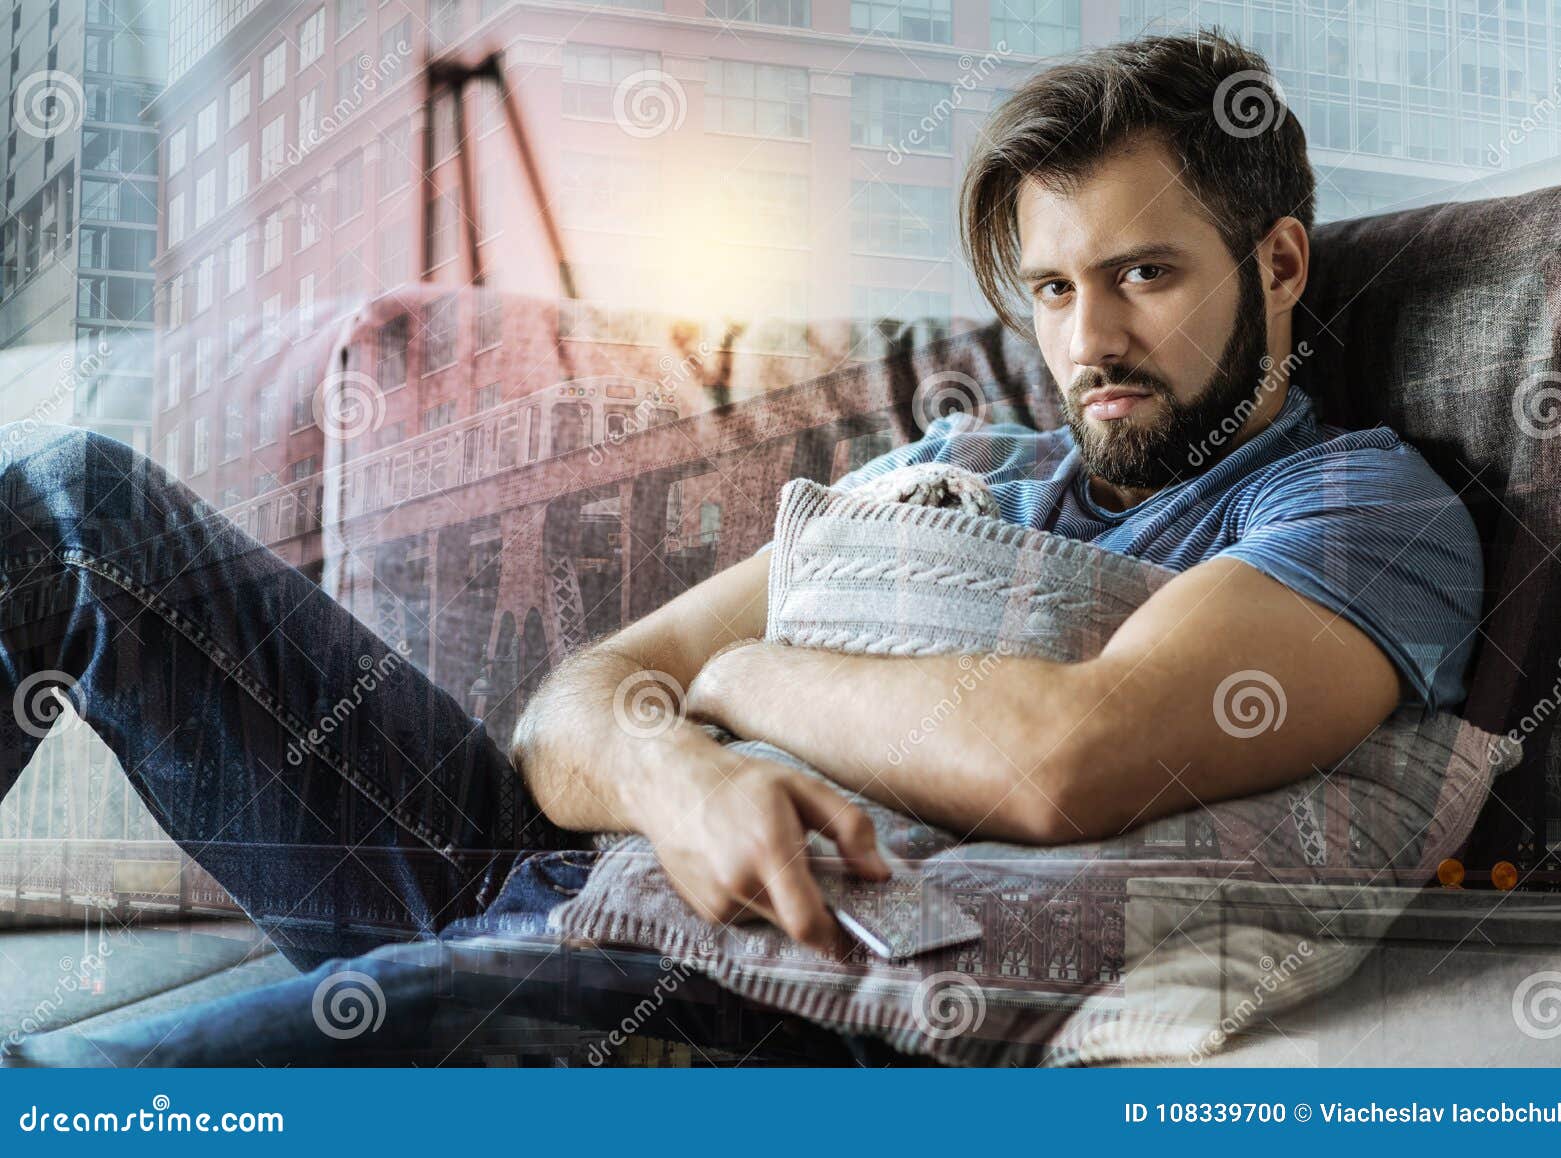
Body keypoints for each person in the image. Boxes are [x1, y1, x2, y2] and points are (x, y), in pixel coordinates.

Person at [0, 31, 1480, 1063]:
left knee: (105, 1088)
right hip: (530, 858)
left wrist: (747, 677)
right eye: (1049, 287)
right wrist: (678, 769)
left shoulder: (1357, 510)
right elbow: (581, 696)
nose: (1086, 340)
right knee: (73, 508)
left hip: (731, 982)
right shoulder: (960, 465)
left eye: (1144, 274)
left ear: (1279, 263)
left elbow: (1068, 758)